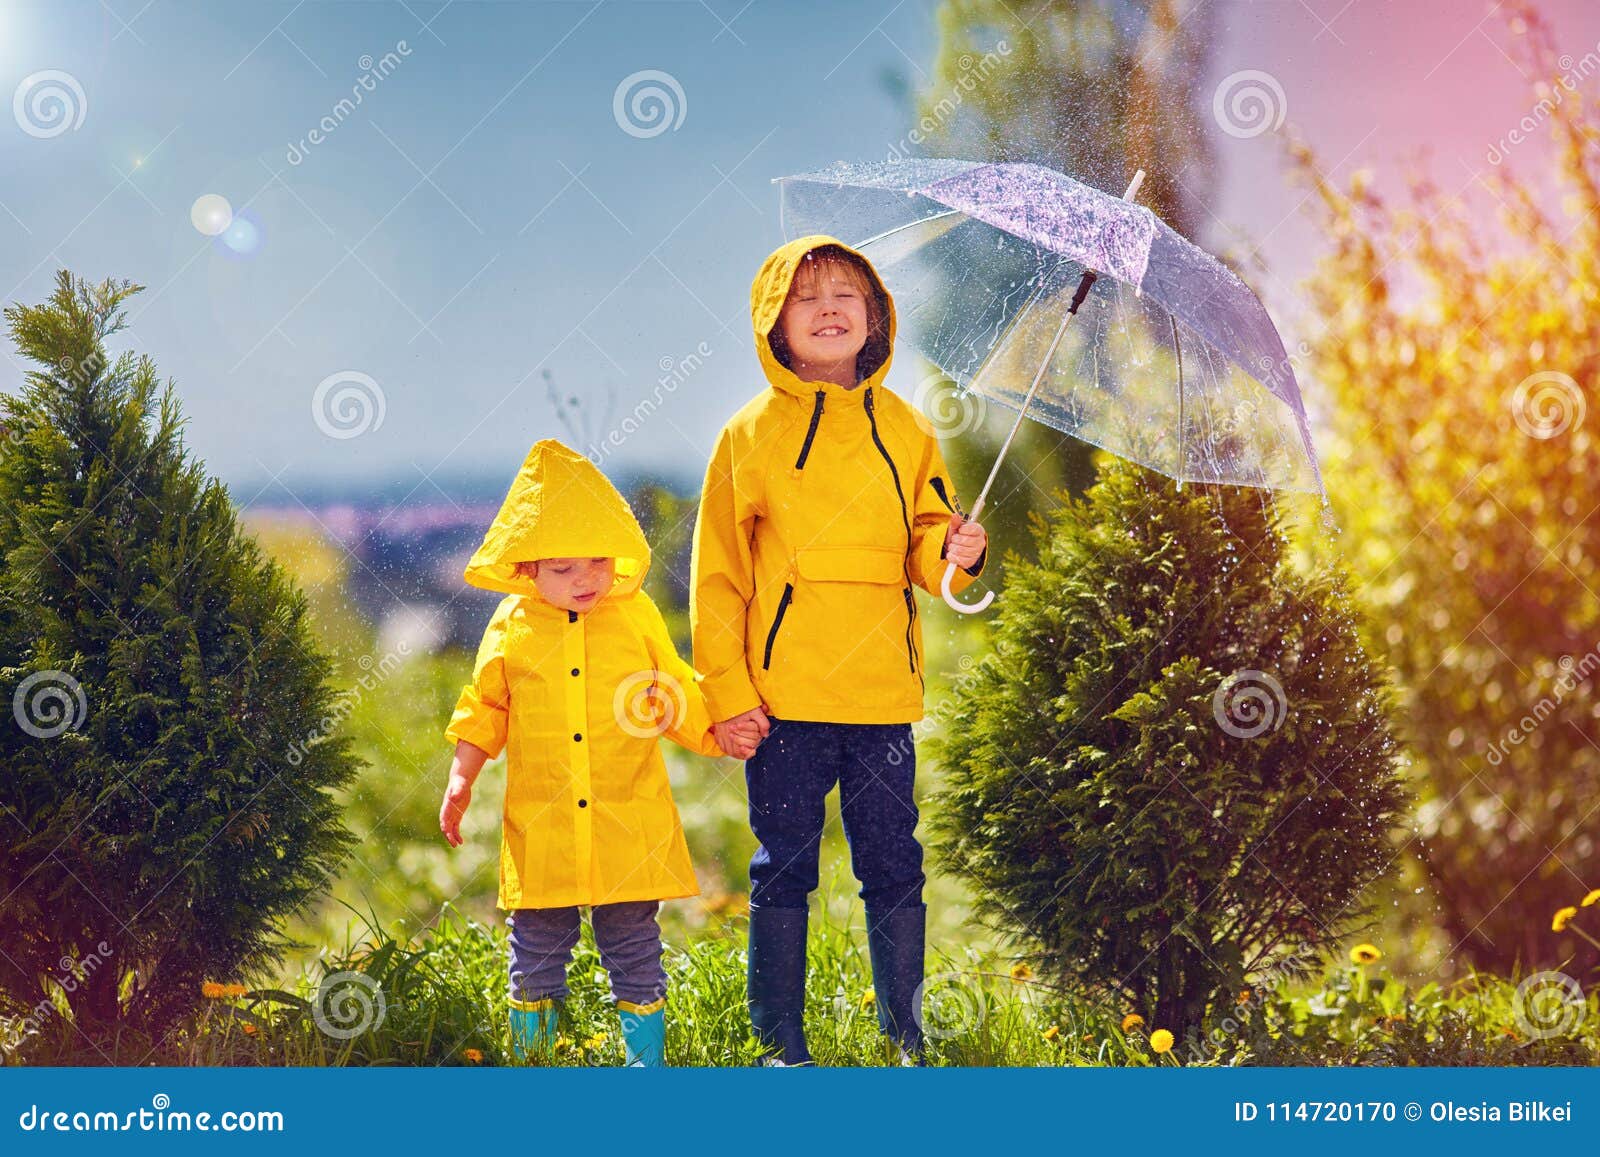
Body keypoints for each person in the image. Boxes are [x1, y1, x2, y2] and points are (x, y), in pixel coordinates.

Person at [691, 236, 988, 1064]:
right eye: (806, 295)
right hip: (784, 700)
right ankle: (781, 1043)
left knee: (895, 866)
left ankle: (907, 1037)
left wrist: (954, 553)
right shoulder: (747, 436)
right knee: (783, 866)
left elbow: (925, 543)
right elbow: (715, 578)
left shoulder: (907, 428)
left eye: (847, 294)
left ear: (875, 316)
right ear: (773, 323)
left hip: (882, 697)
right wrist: (727, 691)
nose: (828, 307)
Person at [440, 439, 759, 1066]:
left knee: (635, 946)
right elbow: (486, 706)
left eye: (597, 561)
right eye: (563, 568)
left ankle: (646, 1069)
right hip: (545, 826)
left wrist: (716, 731)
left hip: (626, 820)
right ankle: (538, 1068)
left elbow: (667, 687)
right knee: (535, 951)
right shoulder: (511, 626)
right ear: (526, 568)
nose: (586, 578)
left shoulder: (633, 615)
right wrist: (461, 777)